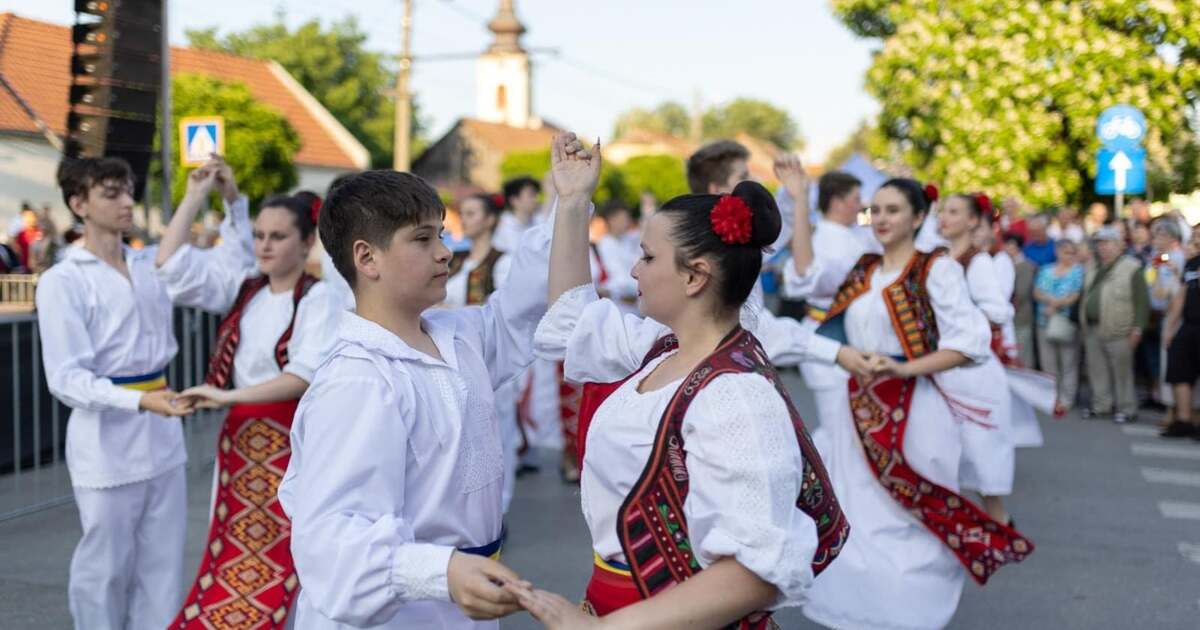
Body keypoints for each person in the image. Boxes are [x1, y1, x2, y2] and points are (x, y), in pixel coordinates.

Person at [513, 144, 854, 630]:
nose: (634, 271)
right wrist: (572, 202)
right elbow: (573, 320)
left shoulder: (736, 396)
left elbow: (755, 572)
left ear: (695, 276)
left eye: (648, 257)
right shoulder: (660, 348)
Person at [277, 133, 588, 625]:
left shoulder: (457, 337)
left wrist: (569, 203)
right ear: (367, 259)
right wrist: (438, 570)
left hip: (459, 599)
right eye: (422, 239)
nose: (444, 253)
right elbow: (331, 538)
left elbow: (521, 306)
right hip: (398, 612)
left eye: (441, 234)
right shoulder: (360, 380)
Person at [802, 179, 1032, 630]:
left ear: (918, 217)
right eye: (876, 210)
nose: (882, 219)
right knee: (857, 519)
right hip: (858, 410)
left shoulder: (936, 269)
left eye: (892, 210)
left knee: (907, 522)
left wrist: (905, 368)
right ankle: (859, 615)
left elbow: (971, 342)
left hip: (915, 410)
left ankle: (910, 615)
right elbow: (811, 295)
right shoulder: (864, 269)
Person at [154, 161, 338, 628]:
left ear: (307, 242)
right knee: (236, 549)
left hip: (295, 441)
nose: (264, 245)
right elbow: (169, 264)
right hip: (241, 440)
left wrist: (225, 397)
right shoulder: (246, 289)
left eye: (278, 236)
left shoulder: (319, 298)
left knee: (293, 556)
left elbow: (302, 375)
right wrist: (199, 195)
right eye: (259, 235)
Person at [36, 157, 213, 628]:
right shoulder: (63, 280)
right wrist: (138, 400)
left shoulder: (147, 264)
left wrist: (197, 194)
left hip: (162, 428)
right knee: (105, 567)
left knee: (162, 564)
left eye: (128, 190)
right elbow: (66, 378)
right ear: (79, 204)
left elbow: (185, 260)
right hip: (107, 440)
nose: (126, 201)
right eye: (111, 193)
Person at [938, 192, 1017, 523]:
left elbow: (999, 311)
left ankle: (1000, 528)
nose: (945, 216)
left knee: (983, 459)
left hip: (972, 372)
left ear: (973, 221)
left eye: (954, 211)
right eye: (943, 210)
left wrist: (963, 327)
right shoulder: (938, 257)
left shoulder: (978, 262)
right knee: (942, 456)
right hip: (942, 368)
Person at [442, 192, 522, 513]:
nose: (466, 219)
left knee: (498, 433)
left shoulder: (502, 261)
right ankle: (470, 507)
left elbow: (502, 312)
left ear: (490, 219)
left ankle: (499, 508)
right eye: (464, 212)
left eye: (473, 213)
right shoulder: (455, 260)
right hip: (454, 356)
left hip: (489, 357)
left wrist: (451, 310)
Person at [1079, 226, 1149, 423]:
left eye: (1107, 243)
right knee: (1097, 369)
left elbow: (1142, 302)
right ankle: (1102, 405)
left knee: (1122, 371)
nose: (1103, 248)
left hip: (1120, 328)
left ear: (1119, 246)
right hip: (1093, 327)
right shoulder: (1093, 267)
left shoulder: (1132, 267)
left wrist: (1137, 329)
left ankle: (1126, 408)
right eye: (1100, 244)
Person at [1034, 240, 1085, 413]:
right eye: (1065, 252)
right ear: (1057, 252)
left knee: (1068, 362)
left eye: (1071, 252)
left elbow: (1075, 295)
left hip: (1065, 323)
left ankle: (1066, 398)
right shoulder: (1046, 269)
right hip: (1044, 321)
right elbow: (1037, 291)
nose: (1068, 256)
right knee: (1048, 363)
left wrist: (1055, 305)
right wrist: (1050, 302)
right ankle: (1051, 396)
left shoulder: (1078, 271)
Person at [1162, 224, 1200, 438]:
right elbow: (1181, 296)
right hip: (1189, 324)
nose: (1196, 239)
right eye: (1195, 235)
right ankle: (1183, 421)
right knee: (1179, 371)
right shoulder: (1191, 263)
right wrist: (1170, 327)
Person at [593, 199, 641, 315]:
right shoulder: (602, 246)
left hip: (636, 307)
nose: (627, 222)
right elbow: (617, 281)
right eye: (622, 218)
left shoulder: (630, 241)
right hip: (617, 309)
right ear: (611, 219)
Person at [1004, 234, 1038, 369]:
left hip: (1021, 317)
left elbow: (1021, 293)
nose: (1007, 248)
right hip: (1011, 317)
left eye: (1010, 245)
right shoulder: (1006, 263)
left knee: (1023, 355)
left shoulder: (1025, 266)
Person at [493, 175, 543, 253]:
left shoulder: (540, 222)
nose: (536, 199)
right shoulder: (502, 227)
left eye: (536, 195)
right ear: (514, 200)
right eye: (531, 195)